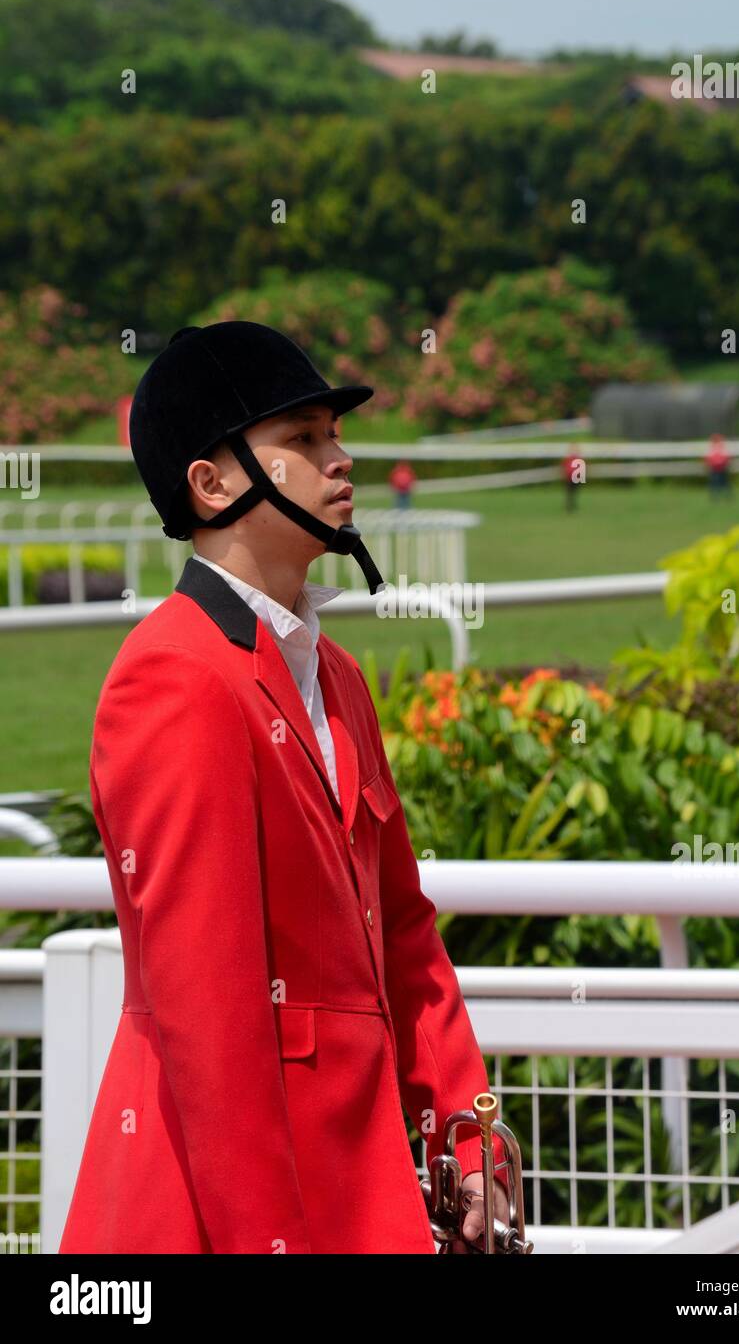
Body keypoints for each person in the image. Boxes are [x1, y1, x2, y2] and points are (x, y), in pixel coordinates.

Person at [58, 321, 510, 1255]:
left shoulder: (335, 675)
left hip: (360, 1194)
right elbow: (209, 1017)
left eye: (332, 436)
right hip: (224, 1213)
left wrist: (467, 1141)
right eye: (301, 439)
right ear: (211, 483)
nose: (339, 458)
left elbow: (404, 936)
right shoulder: (172, 678)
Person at [704, 432, 733, 499]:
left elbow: (726, 457)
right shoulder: (713, 447)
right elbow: (709, 458)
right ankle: (715, 496)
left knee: (723, 483)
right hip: (715, 468)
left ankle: (726, 496)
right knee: (715, 483)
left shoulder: (721, 447)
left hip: (721, 467)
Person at [561, 446, 585, 511]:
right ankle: (569, 506)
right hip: (569, 478)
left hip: (576, 478)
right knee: (569, 492)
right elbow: (564, 467)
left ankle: (572, 504)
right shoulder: (568, 459)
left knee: (574, 492)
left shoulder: (579, 459)